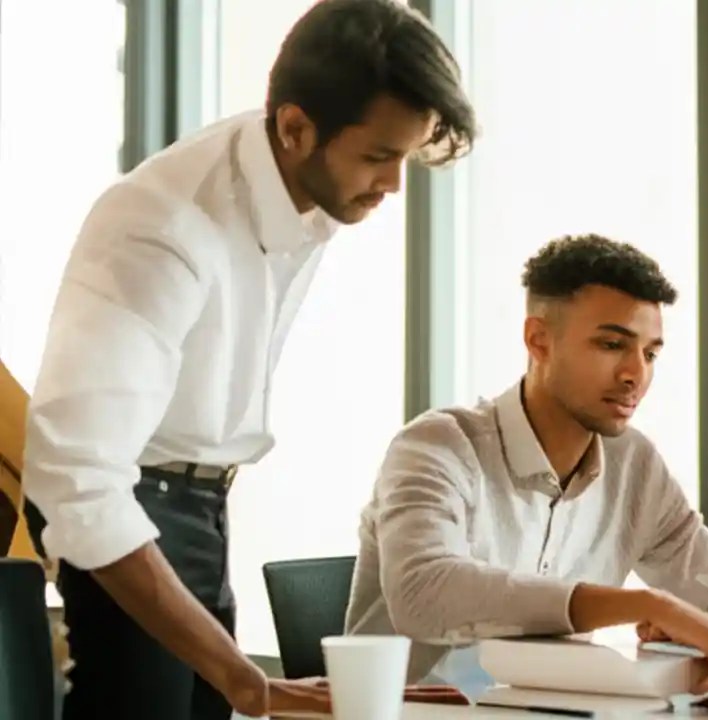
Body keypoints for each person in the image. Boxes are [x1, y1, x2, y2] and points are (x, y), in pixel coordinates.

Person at [21, 1, 476, 718]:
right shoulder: (164, 228)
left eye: (406, 156)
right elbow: (77, 479)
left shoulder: (298, 180)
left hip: (198, 503)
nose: (394, 184)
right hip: (126, 502)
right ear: (294, 129)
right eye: (378, 156)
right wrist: (246, 677)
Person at [346, 234, 708, 706]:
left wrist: (707, 641)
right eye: (612, 344)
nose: (636, 374)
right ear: (538, 340)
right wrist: (647, 605)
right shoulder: (437, 446)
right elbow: (422, 594)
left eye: (650, 354)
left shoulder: (635, 465)